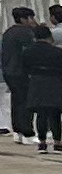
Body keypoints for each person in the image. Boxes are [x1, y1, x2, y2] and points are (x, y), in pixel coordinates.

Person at [7, 10, 62, 153]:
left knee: (41, 114)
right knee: (55, 114)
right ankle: (57, 143)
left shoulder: (28, 52)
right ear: (49, 37)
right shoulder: (57, 52)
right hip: (54, 83)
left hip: (36, 83)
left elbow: (24, 68)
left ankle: (42, 143)